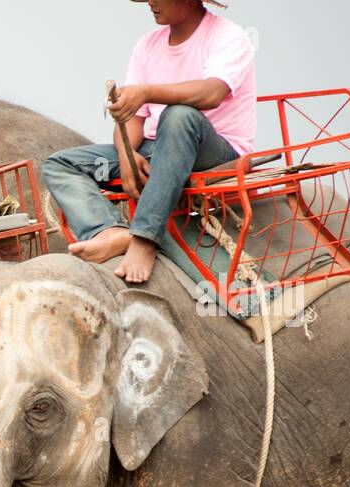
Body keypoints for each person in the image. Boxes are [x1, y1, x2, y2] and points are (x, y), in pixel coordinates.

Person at [42, 0, 256, 283]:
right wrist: (127, 155)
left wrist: (144, 92)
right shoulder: (147, 45)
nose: (150, 3)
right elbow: (133, 120)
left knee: (179, 116)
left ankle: (144, 239)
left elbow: (212, 93)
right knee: (60, 164)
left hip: (213, 150)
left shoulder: (228, 36)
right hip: (157, 150)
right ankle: (108, 231)